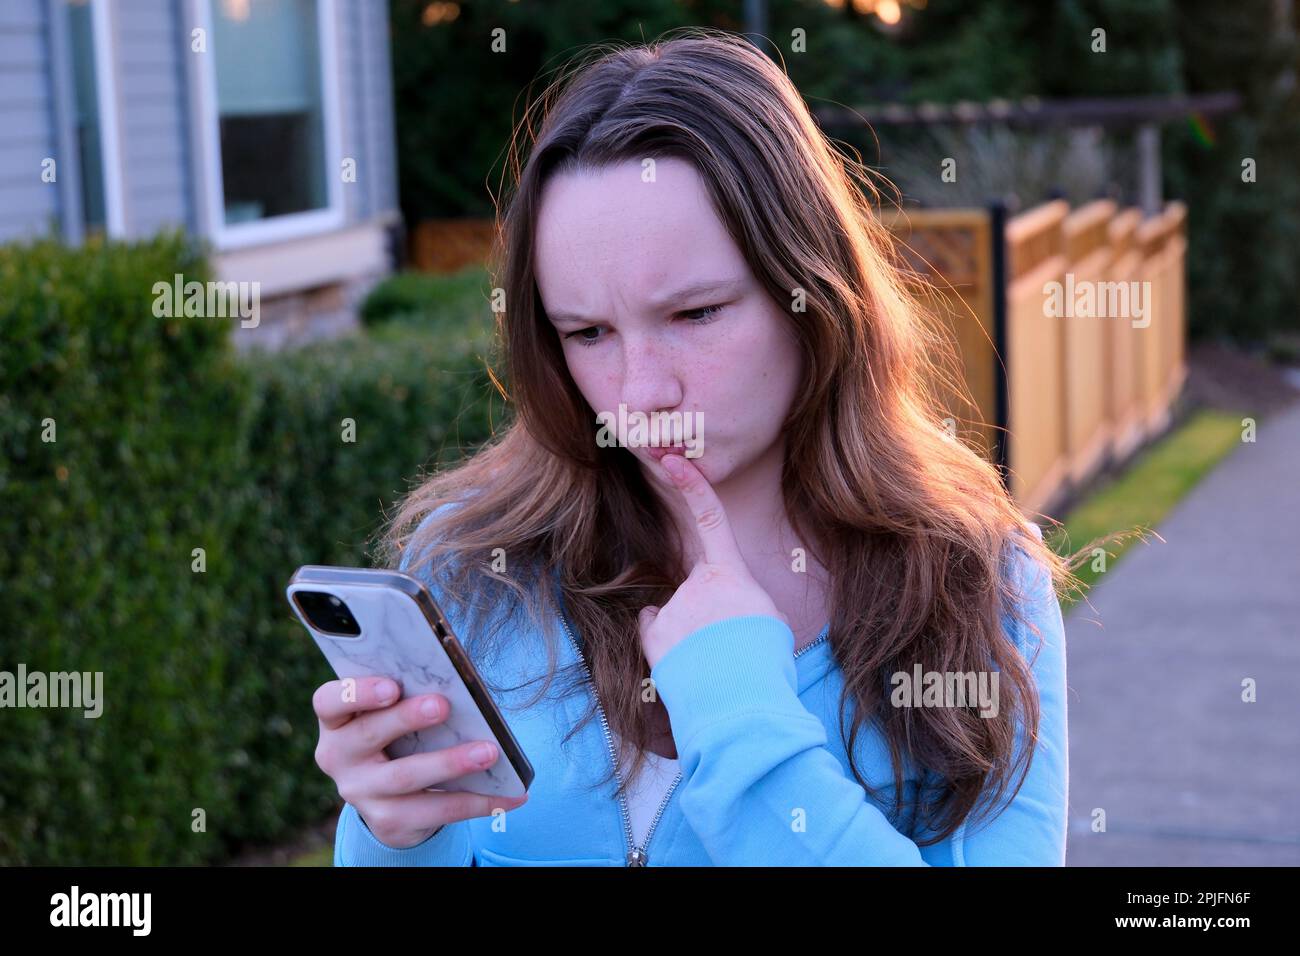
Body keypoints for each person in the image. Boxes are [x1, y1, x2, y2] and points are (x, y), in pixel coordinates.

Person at [313, 28, 1080, 866]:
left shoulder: (980, 585)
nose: (642, 392)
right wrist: (395, 834)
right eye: (588, 331)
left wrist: (738, 712)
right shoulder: (473, 563)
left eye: (695, 314)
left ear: (813, 293)